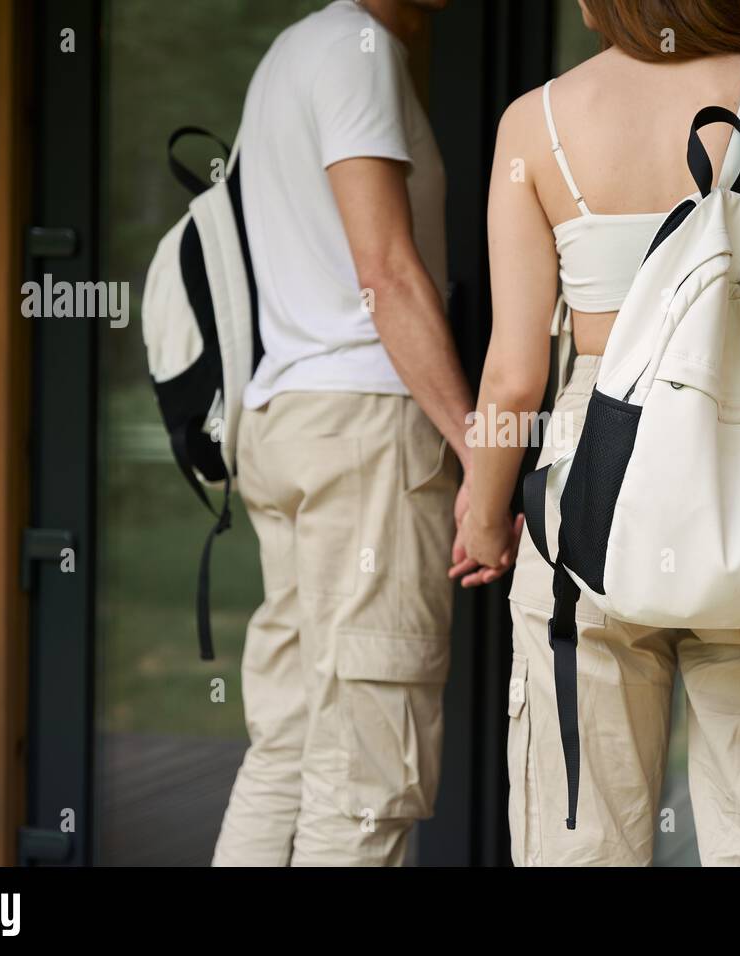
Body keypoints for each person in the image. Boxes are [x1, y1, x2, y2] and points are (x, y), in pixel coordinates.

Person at [451, 0, 740, 865]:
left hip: (591, 481)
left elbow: (514, 372)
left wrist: (485, 511)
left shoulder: (534, 123)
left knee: (581, 826)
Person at [213, 0, 469, 867]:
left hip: (288, 421)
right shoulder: (358, 51)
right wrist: (479, 447)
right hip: (363, 428)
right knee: (364, 779)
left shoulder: (292, 53)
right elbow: (386, 273)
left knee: (287, 746)